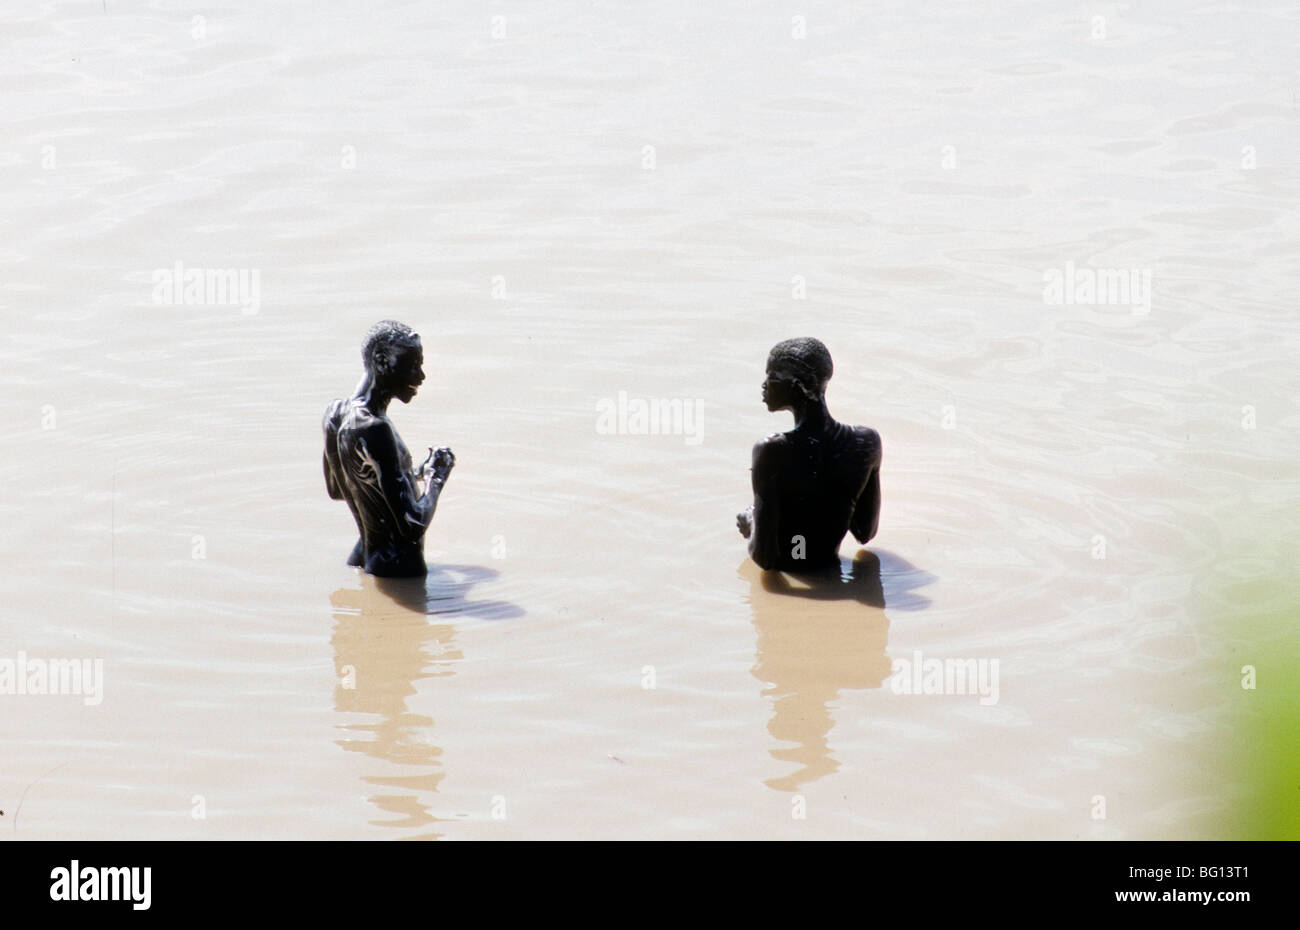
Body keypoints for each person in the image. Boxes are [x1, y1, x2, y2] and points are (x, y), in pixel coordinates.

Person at [737, 337, 880, 572]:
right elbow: (865, 532)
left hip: (792, 577)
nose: (764, 385)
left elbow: (765, 558)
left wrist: (751, 520)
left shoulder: (772, 451)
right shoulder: (866, 442)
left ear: (797, 387)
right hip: (830, 570)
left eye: (772, 377)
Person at [323, 320, 454, 577]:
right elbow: (412, 524)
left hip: (366, 557)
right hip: (400, 567)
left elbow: (338, 489)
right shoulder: (376, 428)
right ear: (382, 361)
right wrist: (436, 476)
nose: (421, 376)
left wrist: (412, 473)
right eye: (412, 366)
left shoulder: (335, 413)